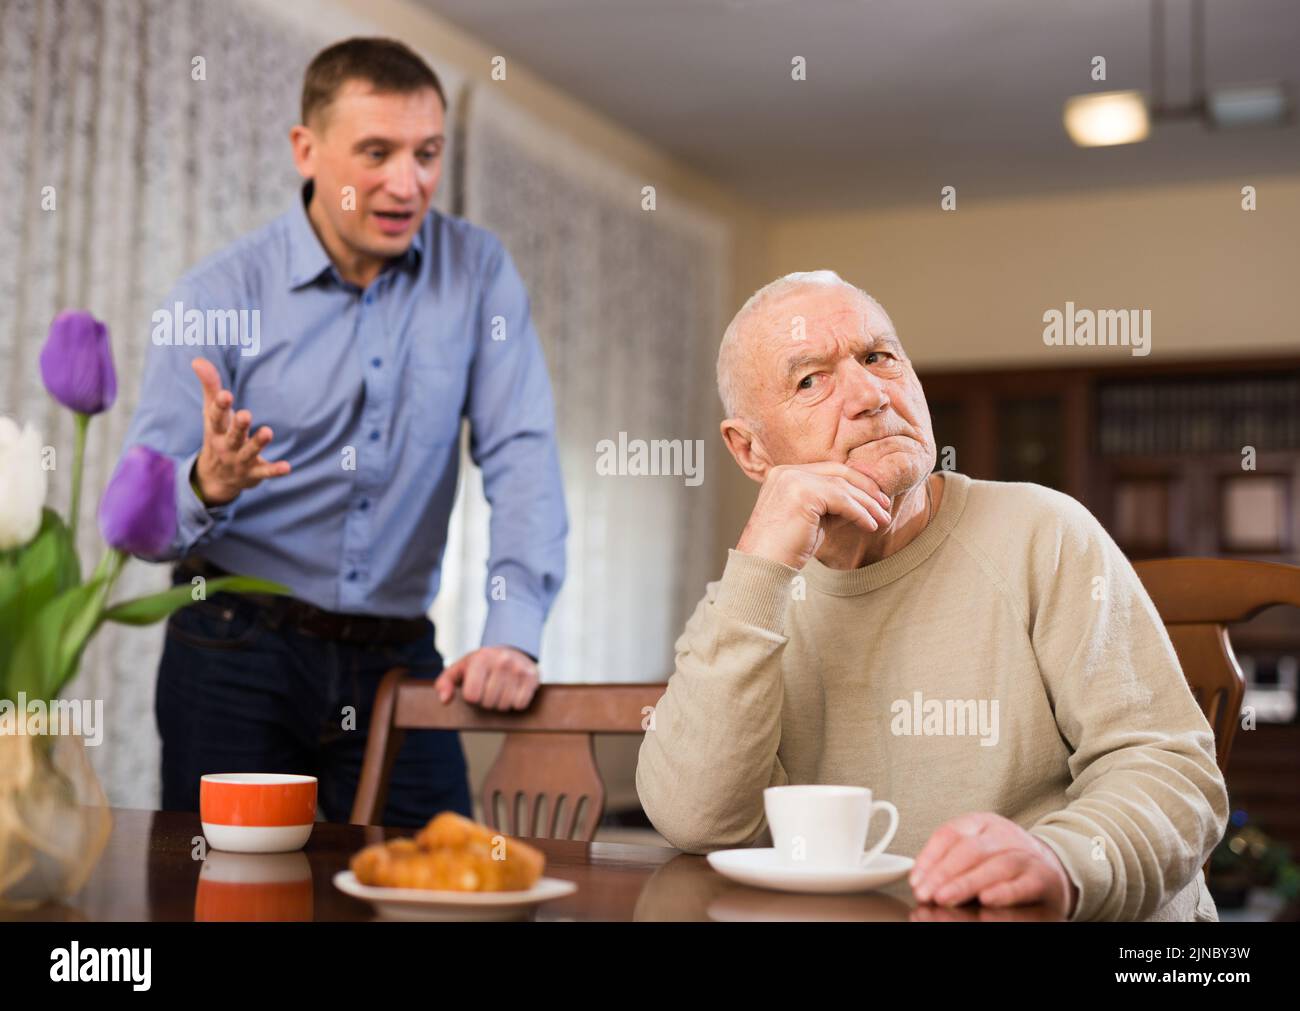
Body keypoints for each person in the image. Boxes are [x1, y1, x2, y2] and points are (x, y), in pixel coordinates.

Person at [635, 270, 1227, 921]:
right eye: (811, 380)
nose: (868, 394)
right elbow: (697, 819)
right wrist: (758, 567)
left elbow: (1174, 773)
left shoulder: (1045, 531)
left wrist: (1061, 862)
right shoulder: (756, 590)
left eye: (878, 357)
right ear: (749, 451)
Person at [122, 38, 568, 826]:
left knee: (437, 888)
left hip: (399, 658)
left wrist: (514, 634)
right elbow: (137, 523)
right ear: (306, 149)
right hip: (234, 649)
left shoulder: (477, 272)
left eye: (428, 153)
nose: (409, 182)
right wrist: (205, 483)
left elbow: (521, 451)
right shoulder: (216, 295)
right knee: (232, 895)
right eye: (377, 151)